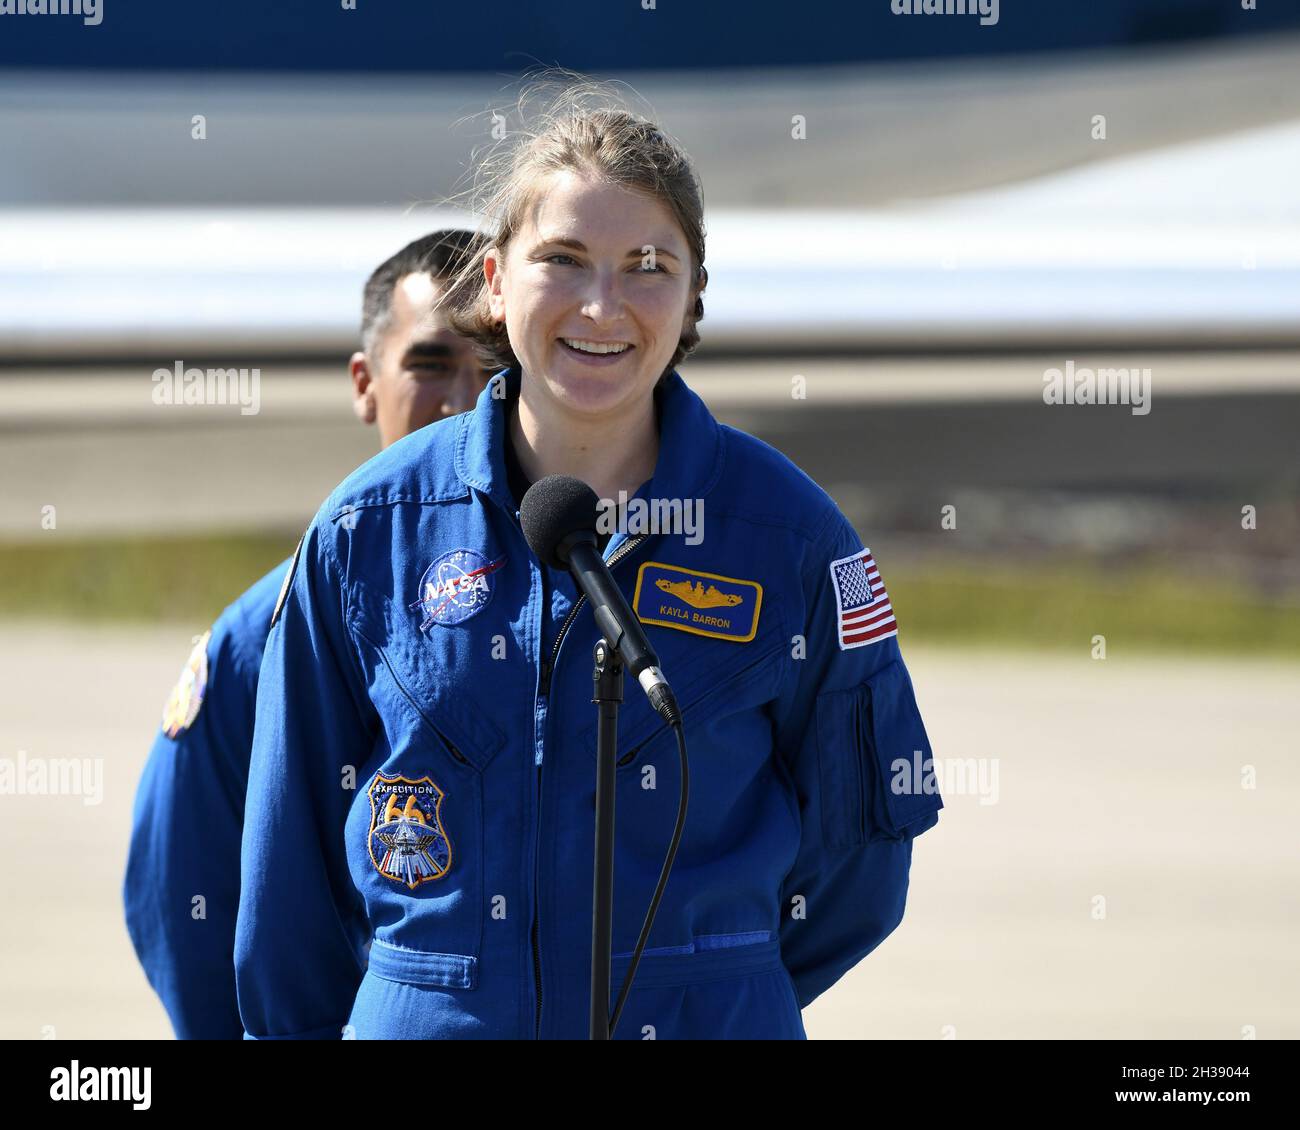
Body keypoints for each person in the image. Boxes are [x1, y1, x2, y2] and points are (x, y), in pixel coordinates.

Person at [235, 86, 942, 1041]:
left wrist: (706, 984)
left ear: (695, 292)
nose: (602, 306)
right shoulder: (369, 531)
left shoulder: (795, 544)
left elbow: (857, 874)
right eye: (561, 261)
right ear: (494, 281)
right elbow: (287, 892)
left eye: (647, 266)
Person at [123, 229, 493, 1039]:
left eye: (496, 372)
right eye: (431, 365)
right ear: (365, 385)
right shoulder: (260, 640)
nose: (465, 400)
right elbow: (182, 895)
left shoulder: (586, 616)